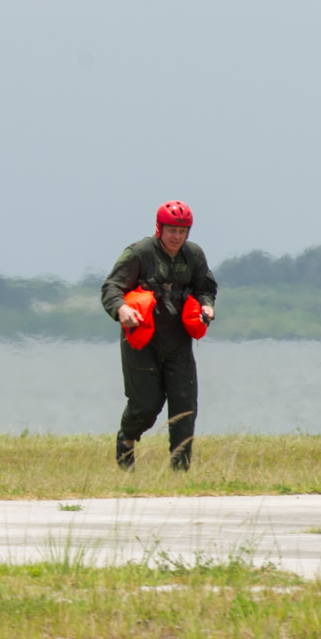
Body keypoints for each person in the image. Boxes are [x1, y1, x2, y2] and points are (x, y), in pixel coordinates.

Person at [102, 199, 217, 471]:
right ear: (159, 228)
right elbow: (111, 288)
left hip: (178, 340)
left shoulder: (194, 255)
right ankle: (127, 439)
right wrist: (122, 310)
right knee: (146, 404)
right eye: (171, 230)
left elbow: (206, 288)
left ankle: (180, 470)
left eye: (182, 231)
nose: (176, 236)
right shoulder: (138, 254)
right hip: (142, 339)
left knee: (184, 405)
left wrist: (207, 306)